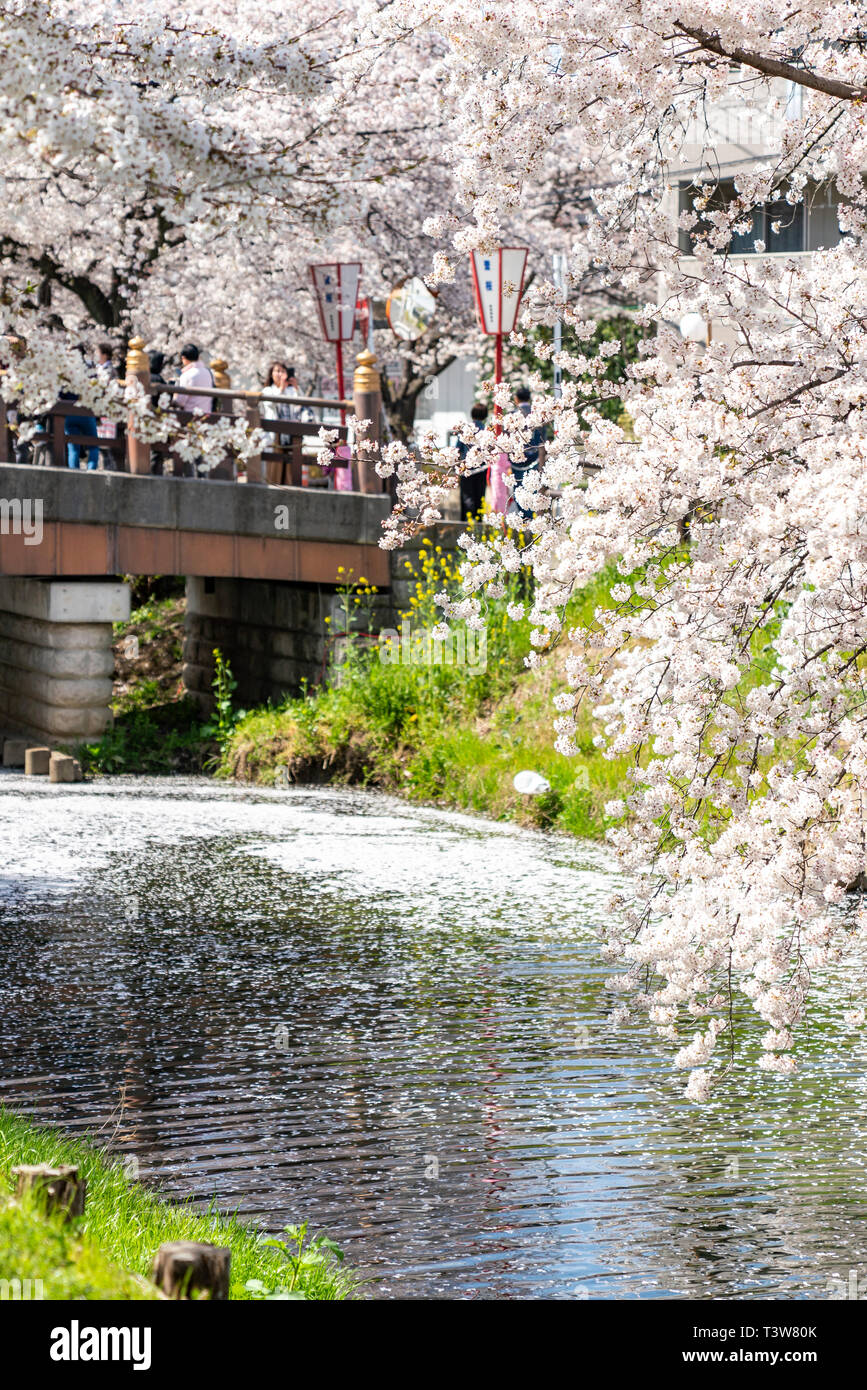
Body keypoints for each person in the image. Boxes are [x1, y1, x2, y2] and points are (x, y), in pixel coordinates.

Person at [510, 385, 546, 520]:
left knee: (519, 488)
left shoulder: (513, 415)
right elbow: (544, 437)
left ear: (516, 398)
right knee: (533, 488)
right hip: (536, 457)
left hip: (518, 458)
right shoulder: (536, 414)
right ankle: (532, 518)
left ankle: (524, 519)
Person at [62, 345, 100, 470]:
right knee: (93, 446)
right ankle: (92, 472)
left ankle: (74, 474)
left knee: (73, 448)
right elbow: (96, 390)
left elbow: (60, 392)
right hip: (86, 412)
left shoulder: (64, 369)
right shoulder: (89, 368)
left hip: (68, 412)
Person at [456, 402, 489, 520]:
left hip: (467, 468)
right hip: (482, 468)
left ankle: (466, 520)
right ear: (485, 415)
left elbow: (458, 449)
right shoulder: (486, 431)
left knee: (466, 495)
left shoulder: (466, 429)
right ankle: (478, 519)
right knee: (480, 495)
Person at [175, 343, 214, 413]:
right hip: (206, 414)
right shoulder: (208, 372)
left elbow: (180, 402)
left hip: (190, 415)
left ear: (183, 358)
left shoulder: (187, 375)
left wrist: (175, 393)